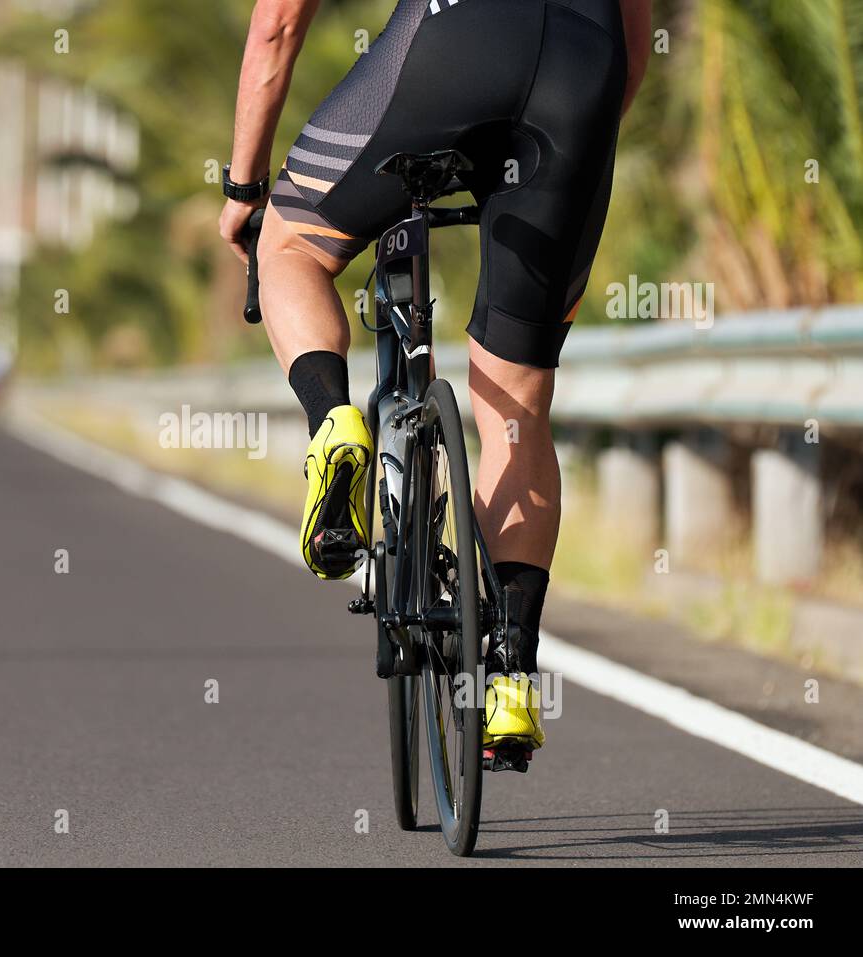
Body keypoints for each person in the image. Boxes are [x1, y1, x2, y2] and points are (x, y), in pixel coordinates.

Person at [220, 0, 653, 756]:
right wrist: (570, 143)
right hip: (582, 69)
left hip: (452, 40)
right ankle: (510, 682)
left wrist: (243, 187)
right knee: (517, 406)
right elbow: (637, 36)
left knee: (289, 247)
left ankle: (334, 424)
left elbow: (278, 23)